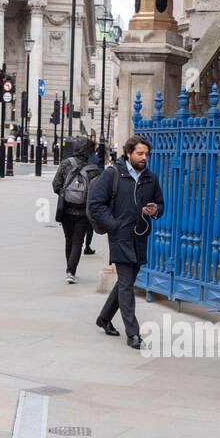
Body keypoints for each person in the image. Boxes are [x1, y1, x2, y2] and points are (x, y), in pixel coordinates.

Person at [87, 134, 164, 350]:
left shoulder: (151, 178)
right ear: (129, 153)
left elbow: (160, 203)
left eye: (146, 154)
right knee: (127, 284)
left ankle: (104, 318)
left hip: (140, 237)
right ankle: (134, 334)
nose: (144, 157)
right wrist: (114, 225)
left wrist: (156, 210)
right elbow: (95, 204)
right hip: (120, 237)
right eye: (140, 153)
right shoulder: (113, 174)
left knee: (125, 283)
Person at [51, 136, 101, 283]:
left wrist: (65, 194)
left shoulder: (66, 164)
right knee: (78, 241)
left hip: (66, 209)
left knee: (69, 239)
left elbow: (55, 184)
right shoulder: (93, 168)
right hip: (83, 212)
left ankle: (69, 269)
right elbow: (97, 192)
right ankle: (71, 271)